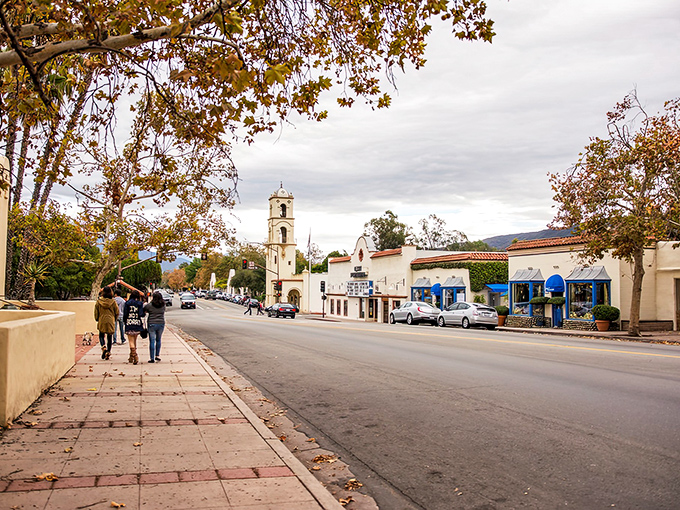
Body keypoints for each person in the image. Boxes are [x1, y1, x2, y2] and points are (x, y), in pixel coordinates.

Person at [94, 286, 119, 360]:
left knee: (101, 335)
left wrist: (97, 318)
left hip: (102, 319)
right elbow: (117, 312)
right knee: (109, 336)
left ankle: (103, 346)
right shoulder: (113, 302)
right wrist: (114, 318)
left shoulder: (99, 301)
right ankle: (108, 351)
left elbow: (96, 312)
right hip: (110, 320)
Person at [123, 289, 146, 364]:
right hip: (137, 323)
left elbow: (125, 314)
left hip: (129, 323)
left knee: (130, 340)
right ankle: (132, 355)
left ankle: (134, 355)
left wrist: (125, 321)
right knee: (134, 340)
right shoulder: (139, 303)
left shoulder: (127, 303)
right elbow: (141, 314)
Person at [144, 291, 166, 363]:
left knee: (152, 341)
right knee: (158, 340)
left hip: (152, 323)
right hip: (161, 323)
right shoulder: (163, 305)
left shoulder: (150, 305)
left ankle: (152, 358)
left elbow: (144, 309)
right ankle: (157, 355)